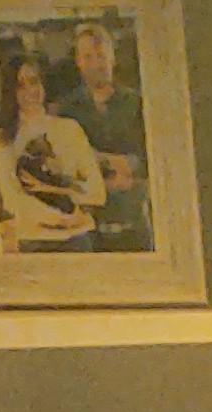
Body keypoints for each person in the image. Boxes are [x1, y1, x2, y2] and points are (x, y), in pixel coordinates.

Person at [0, 45, 104, 250]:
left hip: (78, 237)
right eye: (20, 85)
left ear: (43, 84)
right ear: (10, 91)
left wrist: (58, 192)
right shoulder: (2, 140)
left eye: (34, 82)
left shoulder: (70, 129)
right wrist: (62, 220)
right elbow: (13, 200)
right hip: (33, 242)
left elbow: (97, 191)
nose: (29, 91)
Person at [63, 16, 150, 255]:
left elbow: (146, 160)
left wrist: (98, 159)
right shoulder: (67, 111)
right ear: (78, 61)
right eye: (88, 57)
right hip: (88, 232)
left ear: (112, 57)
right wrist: (113, 166)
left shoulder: (137, 103)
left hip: (135, 225)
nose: (96, 64)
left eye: (101, 55)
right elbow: (69, 170)